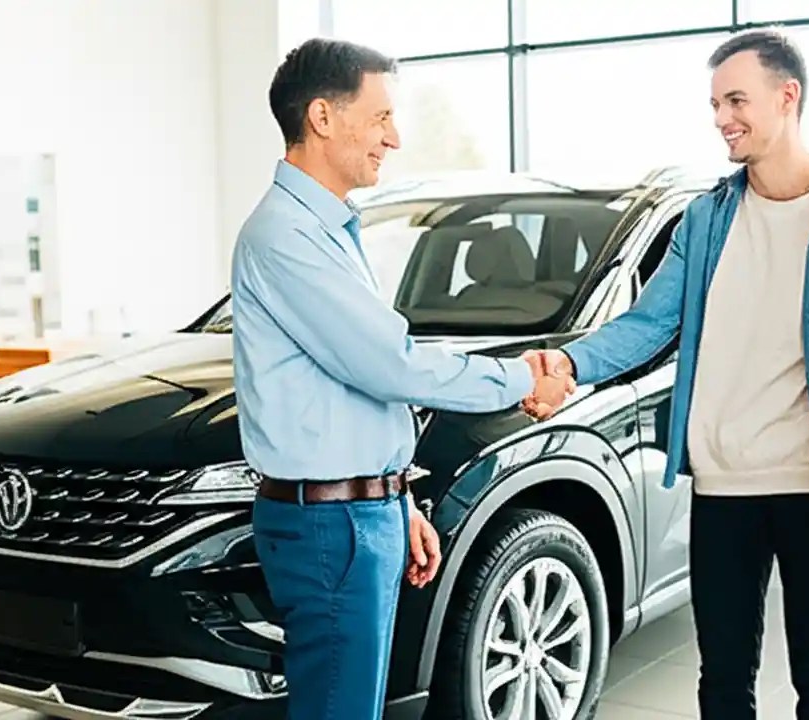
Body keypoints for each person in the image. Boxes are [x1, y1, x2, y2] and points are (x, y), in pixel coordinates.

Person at [525, 29, 809, 720]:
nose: (722, 118)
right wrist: (570, 364)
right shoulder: (706, 218)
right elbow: (647, 324)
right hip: (723, 488)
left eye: (736, 100)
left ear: (788, 97)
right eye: (715, 103)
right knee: (723, 680)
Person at [229, 38, 573, 720]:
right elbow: (389, 363)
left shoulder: (326, 229)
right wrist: (519, 380)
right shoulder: (286, 235)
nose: (396, 135)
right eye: (381, 115)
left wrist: (396, 498)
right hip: (332, 523)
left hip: (358, 512)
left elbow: (344, 391)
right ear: (323, 118)